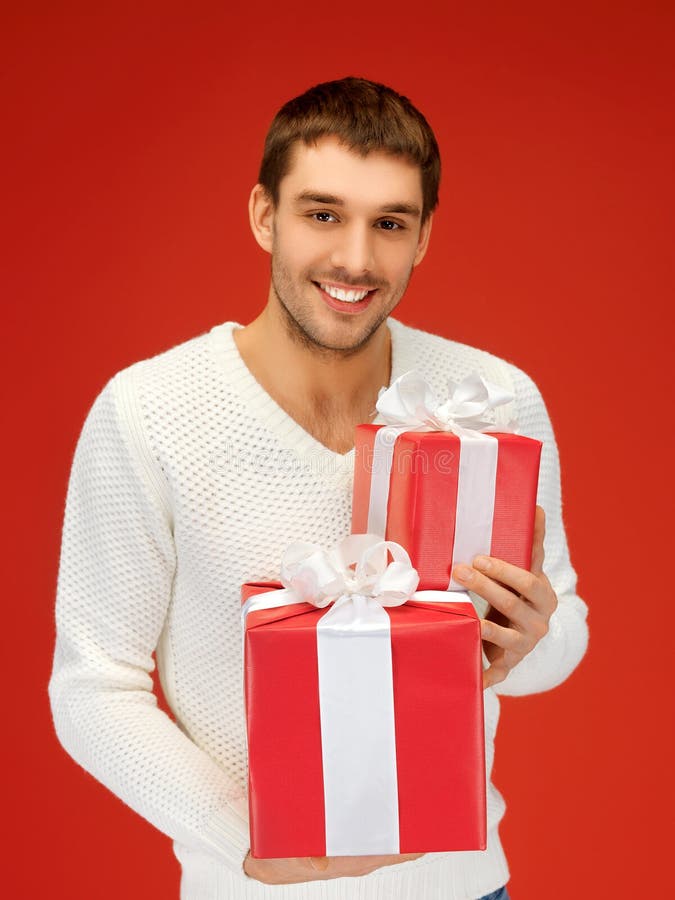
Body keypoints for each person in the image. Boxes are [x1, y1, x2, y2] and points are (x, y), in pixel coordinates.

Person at [48, 76, 589, 900]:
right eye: (323, 214)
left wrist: (531, 639)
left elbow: (558, 645)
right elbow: (92, 686)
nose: (355, 260)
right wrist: (250, 843)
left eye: (390, 224)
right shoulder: (150, 410)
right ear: (265, 214)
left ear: (424, 236)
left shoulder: (492, 397)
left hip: (467, 887)